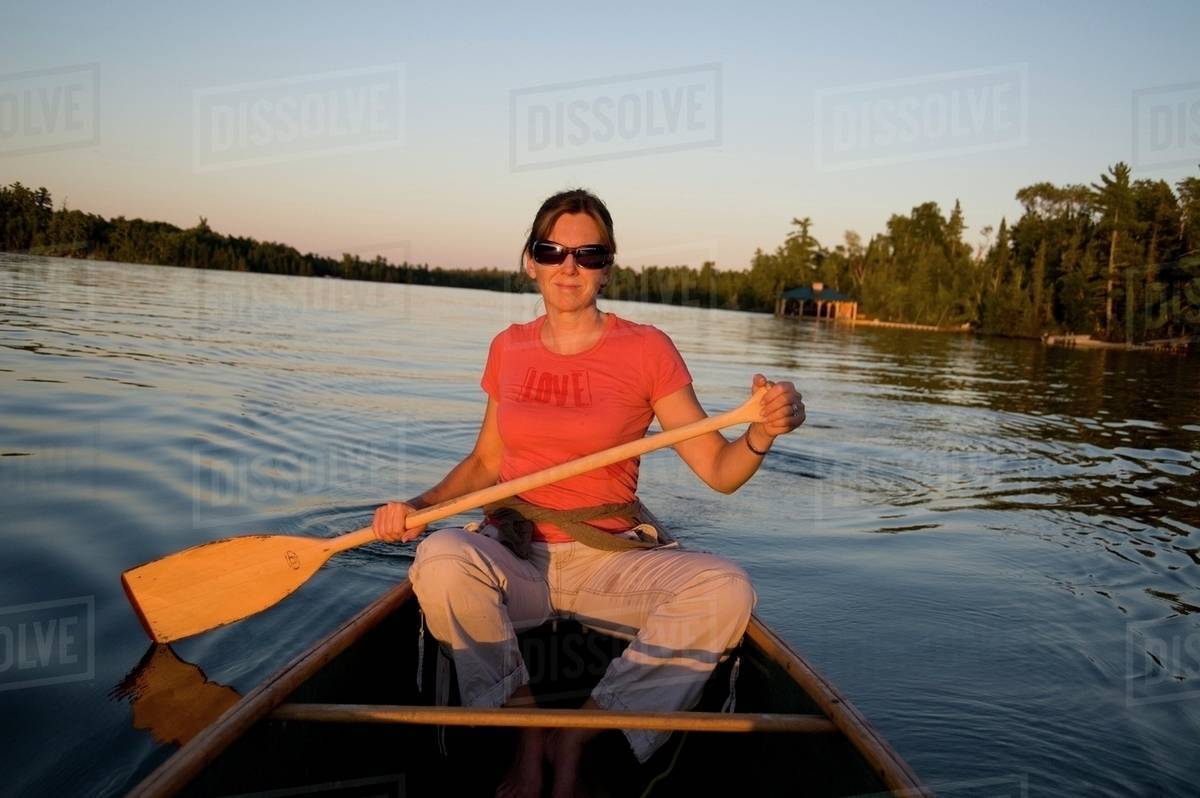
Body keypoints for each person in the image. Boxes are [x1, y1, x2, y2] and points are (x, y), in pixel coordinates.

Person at [373, 189, 805, 798]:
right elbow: (486, 462)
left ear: (607, 265)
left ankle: (578, 736)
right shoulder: (508, 347)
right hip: (516, 555)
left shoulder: (647, 349)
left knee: (727, 588)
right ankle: (526, 733)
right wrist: (418, 509)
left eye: (587, 253)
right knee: (440, 559)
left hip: (609, 561)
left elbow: (719, 470)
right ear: (531, 261)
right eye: (552, 251)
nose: (568, 266)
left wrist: (761, 432)